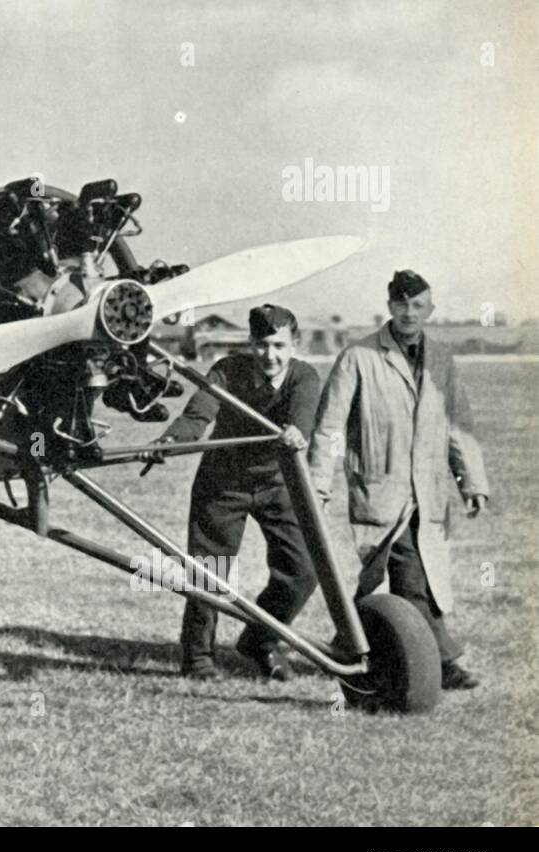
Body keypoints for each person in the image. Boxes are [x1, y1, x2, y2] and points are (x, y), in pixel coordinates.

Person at [307, 269, 488, 690]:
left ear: (430, 309)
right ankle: (442, 664)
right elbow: (330, 428)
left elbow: (457, 424)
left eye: (419, 305)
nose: (410, 313)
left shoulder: (442, 360)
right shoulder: (357, 357)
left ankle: (347, 645)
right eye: (402, 304)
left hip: (429, 490)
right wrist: (317, 484)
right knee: (409, 577)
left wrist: (471, 481)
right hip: (381, 487)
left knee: (401, 575)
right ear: (389, 307)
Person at [144, 304, 321, 680]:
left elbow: (302, 418)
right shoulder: (227, 371)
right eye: (260, 345)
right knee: (210, 572)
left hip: (278, 484)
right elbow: (198, 414)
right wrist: (171, 440)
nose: (269, 356)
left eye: (278, 346)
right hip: (223, 482)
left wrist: (296, 431)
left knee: (303, 571)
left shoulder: (305, 377)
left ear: (295, 344)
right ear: (249, 343)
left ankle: (260, 640)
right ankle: (198, 659)